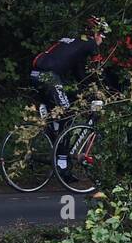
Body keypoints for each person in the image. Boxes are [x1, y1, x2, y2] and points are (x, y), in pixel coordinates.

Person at [31, 16, 108, 175]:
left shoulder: (76, 43)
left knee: (63, 110)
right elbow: (96, 69)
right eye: (102, 36)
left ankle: (50, 123)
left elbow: (80, 75)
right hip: (49, 76)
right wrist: (101, 90)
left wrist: (91, 91)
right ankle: (62, 161)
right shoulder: (90, 44)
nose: (102, 40)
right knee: (66, 113)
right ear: (96, 34)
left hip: (35, 73)